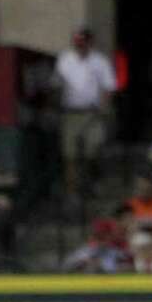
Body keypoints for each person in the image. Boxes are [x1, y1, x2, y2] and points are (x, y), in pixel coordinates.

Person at [54, 26, 119, 197]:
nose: (79, 45)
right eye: (77, 42)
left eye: (82, 42)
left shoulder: (100, 61)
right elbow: (56, 83)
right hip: (70, 113)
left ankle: (94, 179)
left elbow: (109, 87)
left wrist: (104, 107)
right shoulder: (65, 59)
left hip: (92, 113)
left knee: (93, 150)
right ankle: (72, 193)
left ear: (90, 42)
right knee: (70, 155)